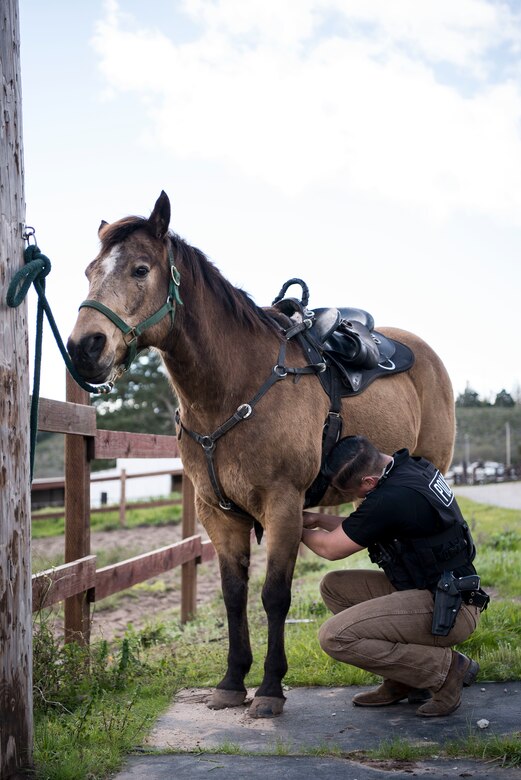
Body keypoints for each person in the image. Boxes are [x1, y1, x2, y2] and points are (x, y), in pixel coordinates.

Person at [301, 435, 489, 717]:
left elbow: (330, 549)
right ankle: (407, 678)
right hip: (440, 588)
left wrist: (289, 526)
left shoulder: (389, 498)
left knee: (334, 637)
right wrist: (316, 520)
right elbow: (368, 524)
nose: (358, 499)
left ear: (368, 483)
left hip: (448, 608)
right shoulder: (411, 469)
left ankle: (446, 671)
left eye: (356, 493)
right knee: (335, 587)